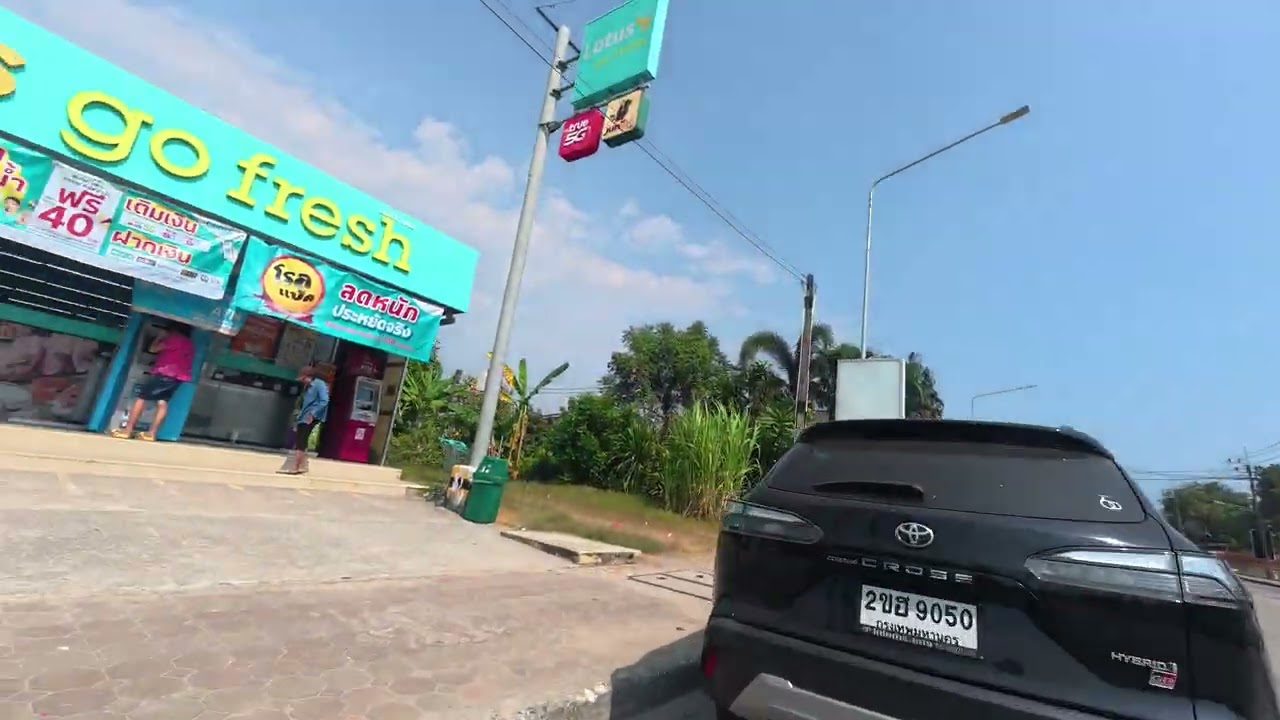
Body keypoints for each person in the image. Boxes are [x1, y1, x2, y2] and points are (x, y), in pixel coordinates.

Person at [111, 323, 194, 441]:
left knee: (141, 398)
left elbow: (152, 349)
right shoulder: (189, 343)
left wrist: (159, 337)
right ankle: (151, 433)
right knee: (162, 402)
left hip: (165, 373)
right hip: (178, 377)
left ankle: (127, 430)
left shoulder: (174, 338)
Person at [281, 365, 329, 475]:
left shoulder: (319, 385)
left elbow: (324, 401)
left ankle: (296, 466)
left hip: (312, 416)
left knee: (301, 440)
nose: (303, 381)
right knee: (300, 440)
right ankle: (301, 465)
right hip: (304, 416)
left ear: (308, 376)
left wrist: (313, 413)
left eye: (303, 379)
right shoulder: (307, 387)